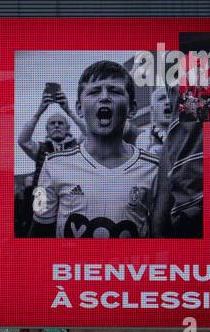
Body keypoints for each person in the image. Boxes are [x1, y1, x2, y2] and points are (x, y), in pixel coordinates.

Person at [30, 61, 161, 239]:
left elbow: (163, 239)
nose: (104, 97)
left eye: (114, 91)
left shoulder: (153, 168)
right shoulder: (52, 165)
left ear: (132, 109)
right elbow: (38, 234)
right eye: (94, 91)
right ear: (79, 109)